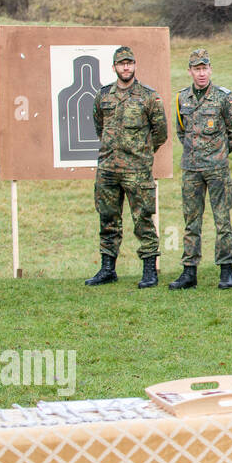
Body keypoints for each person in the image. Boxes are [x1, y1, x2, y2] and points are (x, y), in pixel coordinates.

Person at [84, 46, 169, 288]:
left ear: (135, 65)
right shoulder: (103, 96)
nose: (126, 67)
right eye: (121, 64)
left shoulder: (148, 96)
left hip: (137, 170)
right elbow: (99, 126)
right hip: (108, 168)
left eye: (129, 63)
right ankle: (108, 269)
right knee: (108, 219)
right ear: (114, 67)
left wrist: (141, 153)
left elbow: (160, 132)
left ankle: (149, 270)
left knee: (143, 219)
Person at [169, 48, 232, 290]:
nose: (201, 73)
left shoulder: (224, 97)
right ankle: (189, 271)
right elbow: (181, 131)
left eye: (205, 68)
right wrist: (197, 151)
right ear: (190, 71)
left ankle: (226, 270)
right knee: (191, 221)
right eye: (197, 69)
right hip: (191, 169)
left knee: (222, 220)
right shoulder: (182, 98)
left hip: (217, 170)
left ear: (210, 70)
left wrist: (219, 152)